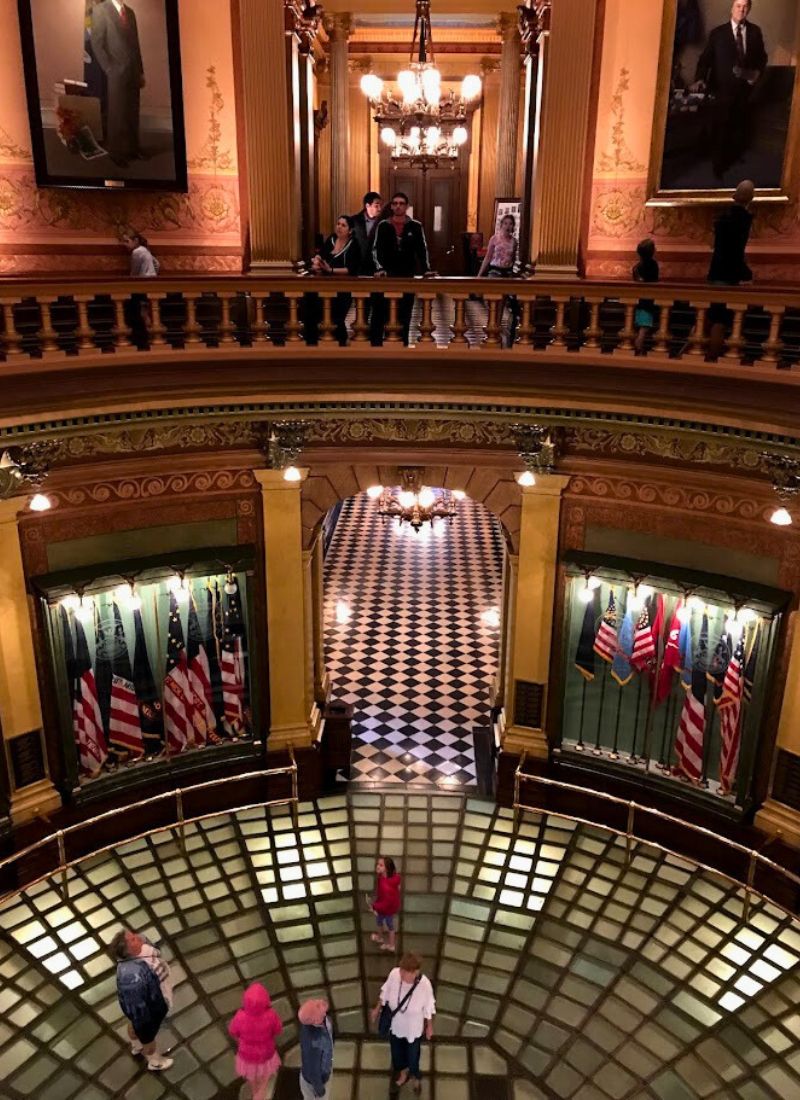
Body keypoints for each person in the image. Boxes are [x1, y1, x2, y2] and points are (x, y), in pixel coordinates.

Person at [691, 0, 767, 179]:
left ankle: (733, 158)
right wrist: (700, 79)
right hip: (721, 90)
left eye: (745, 6)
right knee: (721, 128)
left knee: (737, 125)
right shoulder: (718, 34)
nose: (742, 10)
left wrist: (756, 73)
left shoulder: (755, 32)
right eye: (738, 6)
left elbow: (762, 58)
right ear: (732, 8)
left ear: (749, 9)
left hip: (744, 90)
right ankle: (718, 167)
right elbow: (705, 60)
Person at [90, 0, 145, 167]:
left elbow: (136, 45)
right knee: (118, 113)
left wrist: (141, 71)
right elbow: (97, 43)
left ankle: (133, 149)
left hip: (133, 71)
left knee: (132, 112)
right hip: (116, 72)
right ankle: (116, 153)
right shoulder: (101, 10)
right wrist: (109, 68)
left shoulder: (130, 12)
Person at [371, 952, 435, 1093]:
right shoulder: (395, 974)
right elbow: (385, 992)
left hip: (413, 1029)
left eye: (404, 972)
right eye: (401, 969)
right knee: (397, 1055)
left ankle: (415, 1077)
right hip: (396, 1026)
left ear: (415, 972)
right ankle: (403, 1073)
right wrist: (377, 1009)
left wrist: (429, 1026)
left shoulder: (424, 985)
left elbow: (428, 1006)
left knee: (413, 1057)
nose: (400, 973)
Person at [373, 192, 432, 345]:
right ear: (392, 206)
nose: (398, 206)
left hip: (407, 275)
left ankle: (403, 342)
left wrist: (426, 269)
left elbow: (422, 249)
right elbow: (376, 249)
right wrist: (379, 268)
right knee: (385, 311)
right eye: (395, 203)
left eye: (401, 203)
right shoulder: (384, 226)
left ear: (406, 206)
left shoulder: (415, 226)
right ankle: (383, 344)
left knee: (405, 311)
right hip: (388, 275)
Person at [110, 928, 172, 1072]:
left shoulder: (138, 953)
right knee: (147, 1038)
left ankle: (136, 1046)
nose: (138, 937)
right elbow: (137, 1009)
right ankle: (154, 1061)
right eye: (132, 939)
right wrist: (144, 1030)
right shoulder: (131, 976)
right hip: (148, 1011)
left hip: (150, 1003)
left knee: (134, 1025)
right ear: (128, 950)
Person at [707, 179, 755, 357]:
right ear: (751, 199)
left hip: (715, 271)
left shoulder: (722, 219)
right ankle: (711, 358)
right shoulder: (743, 220)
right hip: (728, 275)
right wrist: (746, 273)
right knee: (721, 320)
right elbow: (735, 251)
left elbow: (717, 247)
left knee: (709, 316)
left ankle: (696, 354)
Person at [309, 215, 361, 345]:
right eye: (338, 224)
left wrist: (330, 270)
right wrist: (317, 261)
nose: (339, 227)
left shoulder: (354, 244)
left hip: (343, 287)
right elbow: (321, 254)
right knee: (317, 315)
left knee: (338, 318)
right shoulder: (331, 239)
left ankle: (342, 347)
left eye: (343, 225)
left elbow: (351, 269)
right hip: (325, 286)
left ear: (350, 230)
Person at [228, 982, 283, 1100]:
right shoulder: (271, 1015)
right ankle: (262, 1091)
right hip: (266, 1052)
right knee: (266, 1072)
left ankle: (254, 1091)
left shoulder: (239, 1016)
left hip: (246, 1054)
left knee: (251, 1076)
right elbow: (278, 1030)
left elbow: (233, 1031)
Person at [478, 214, 520, 347]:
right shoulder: (494, 239)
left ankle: (496, 330)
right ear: (501, 225)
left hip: (506, 274)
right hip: (494, 272)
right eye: (506, 223)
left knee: (502, 303)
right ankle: (491, 326)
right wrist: (479, 274)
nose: (508, 226)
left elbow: (513, 259)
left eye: (510, 224)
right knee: (492, 301)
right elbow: (488, 257)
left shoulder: (514, 241)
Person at [298, 998, 334, 1100]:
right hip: (316, 1082)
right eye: (318, 1007)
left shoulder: (320, 1021)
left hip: (320, 1072)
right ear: (316, 1020)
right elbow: (313, 1071)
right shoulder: (313, 1043)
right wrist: (320, 1090)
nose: (321, 1003)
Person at [632, 238, 659, 354]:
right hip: (648, 300)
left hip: (638, 299)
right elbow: (654, 281)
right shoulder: (653, 265)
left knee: (642, 324)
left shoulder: (637, 267)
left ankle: (638, 345)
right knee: (645, 325)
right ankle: (639, 345)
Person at [369, 855, 401, 953]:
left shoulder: (385, 885)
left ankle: (391, 945)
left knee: (389, 925)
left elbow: (387, 902)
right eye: (378, 864)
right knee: (379, 921)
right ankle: (380, 937)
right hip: (386, 906)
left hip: (388, 909)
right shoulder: (383, 878)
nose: (378, 866)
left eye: (381, 865)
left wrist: (374, 906)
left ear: (386, 869)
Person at [350, 191, 383, 275]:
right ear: (367, 206)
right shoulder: (354, 221)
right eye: (376, 206)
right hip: (356, 267)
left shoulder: (383, 223)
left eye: (380, 205)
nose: (380, 209)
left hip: (375, 268)